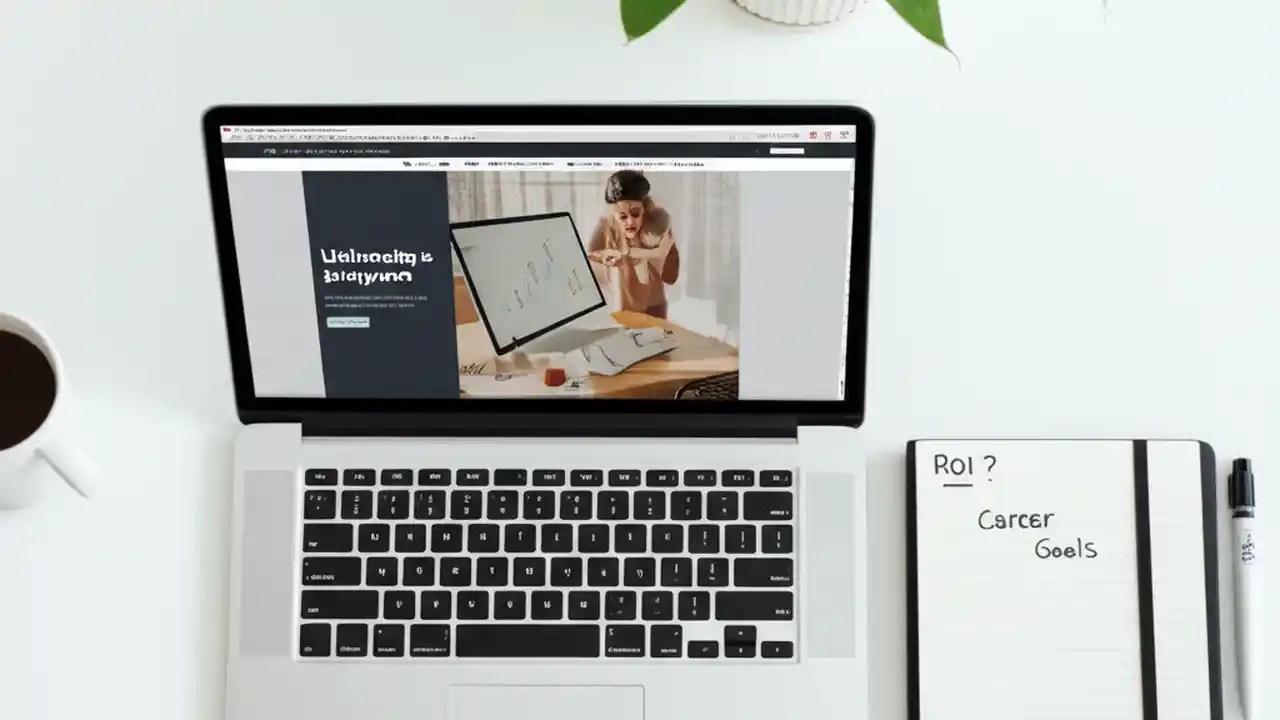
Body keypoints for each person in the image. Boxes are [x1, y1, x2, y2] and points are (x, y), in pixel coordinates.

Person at [587, 170, 680, 319]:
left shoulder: (656, 224)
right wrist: (604, 257)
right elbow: (590, 254)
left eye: (636, 214)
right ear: (614, 214)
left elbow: (668, 266)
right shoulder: (606, 224)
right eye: (623, 217)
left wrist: (627, 253)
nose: (630, 222)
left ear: (644, 208)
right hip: (624, 306)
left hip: (654, 304)